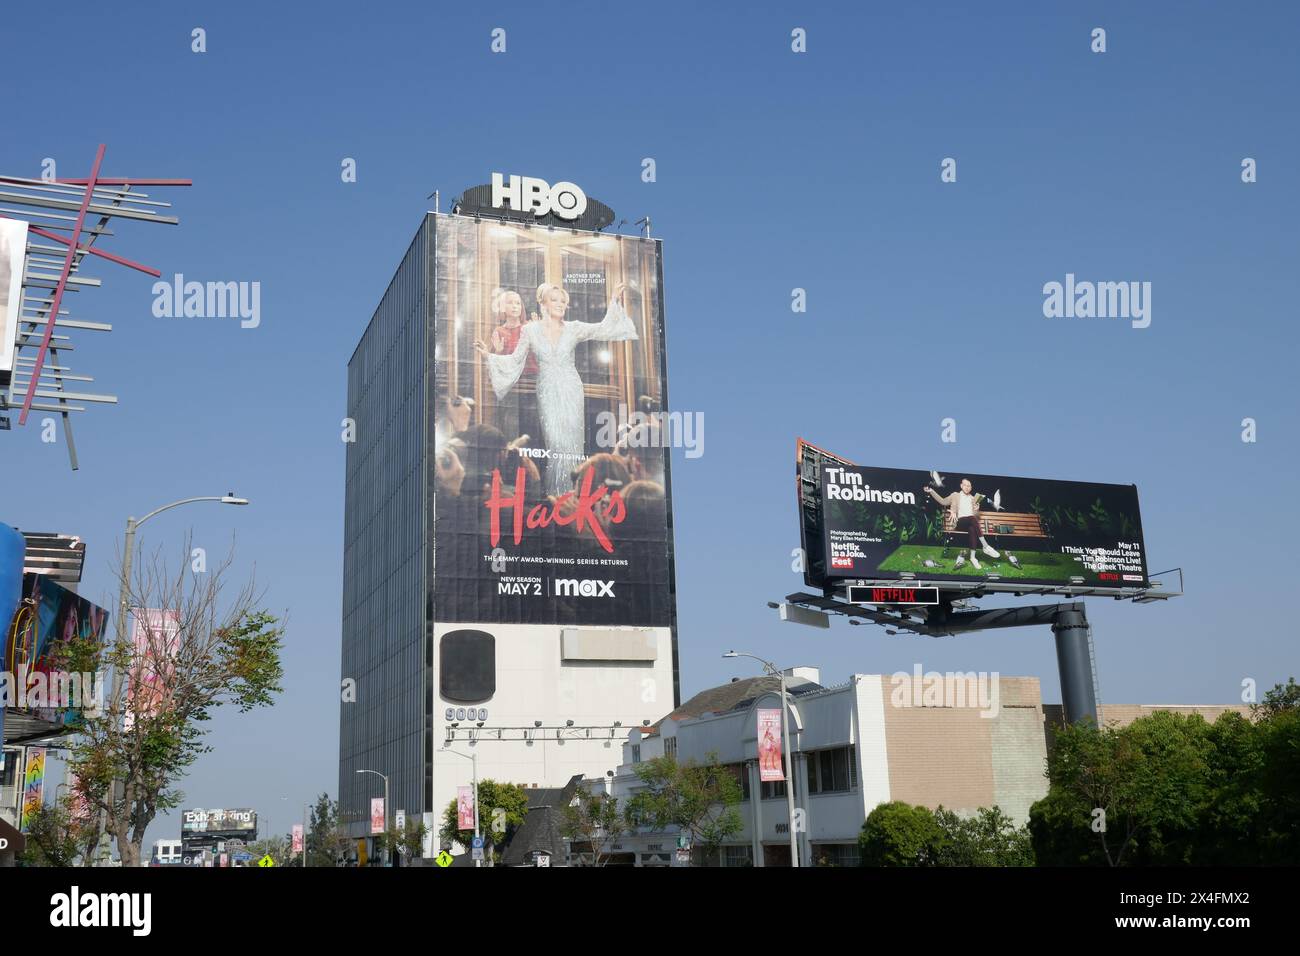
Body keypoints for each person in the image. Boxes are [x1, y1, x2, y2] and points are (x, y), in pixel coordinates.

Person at [475, 281, 637, 497]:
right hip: (547, 390)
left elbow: (603, 328)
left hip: (571, 389)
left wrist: (614, 300)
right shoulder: (530, 330)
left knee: (572, 445)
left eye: (563, 301)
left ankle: (574, 495)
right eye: (555, 300)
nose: (560, 304)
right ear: (543, 303)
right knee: (557, 443)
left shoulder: (574, 327)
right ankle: (557, 496)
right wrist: (489, 356)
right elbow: (516, 360)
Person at [923, 478, 1000, 570]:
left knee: (972, 528)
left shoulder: (973, 499)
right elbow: (942, 501)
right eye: (965, 485)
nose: (967, 487)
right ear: (961, 486)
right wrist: (931, 491)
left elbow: (975, 516)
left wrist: (976, 509)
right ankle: (986, 546)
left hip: (970, 523)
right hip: (959, 523)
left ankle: (973, 558)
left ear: (971, 488)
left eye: (969, 486)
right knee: (971, 519)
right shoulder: (955, 495)